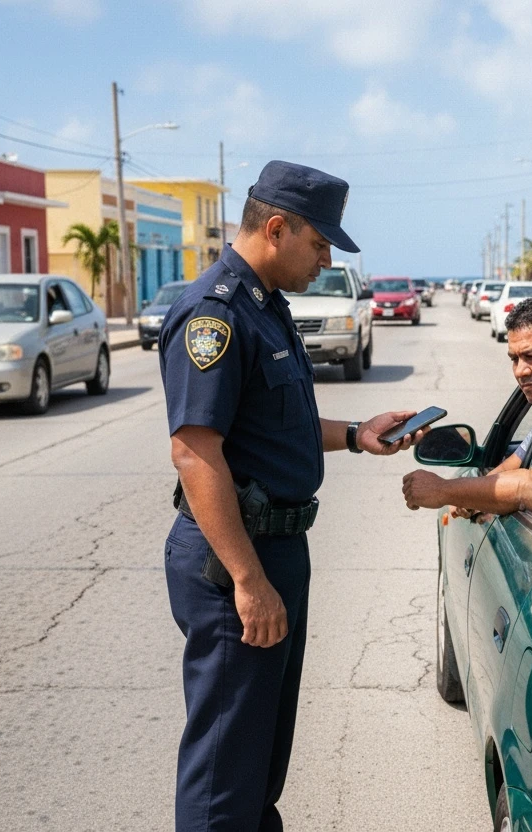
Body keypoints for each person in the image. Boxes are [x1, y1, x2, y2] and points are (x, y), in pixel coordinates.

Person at [159, 160, 426, 832]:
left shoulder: (266, 307)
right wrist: (248, 580)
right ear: (276, 228)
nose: (326, 257)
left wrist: (357, 434)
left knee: (259, 758)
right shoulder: (214, 316)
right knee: (225, 768)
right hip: (235, 561)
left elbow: (272, 429)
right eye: (319, 243)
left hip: (275, 549)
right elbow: (196, 452)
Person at [401, 294, 532, 518]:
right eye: (514, 359)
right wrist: (471, 496)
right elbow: (514, 463)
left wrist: (443, 490)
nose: (520, 371)